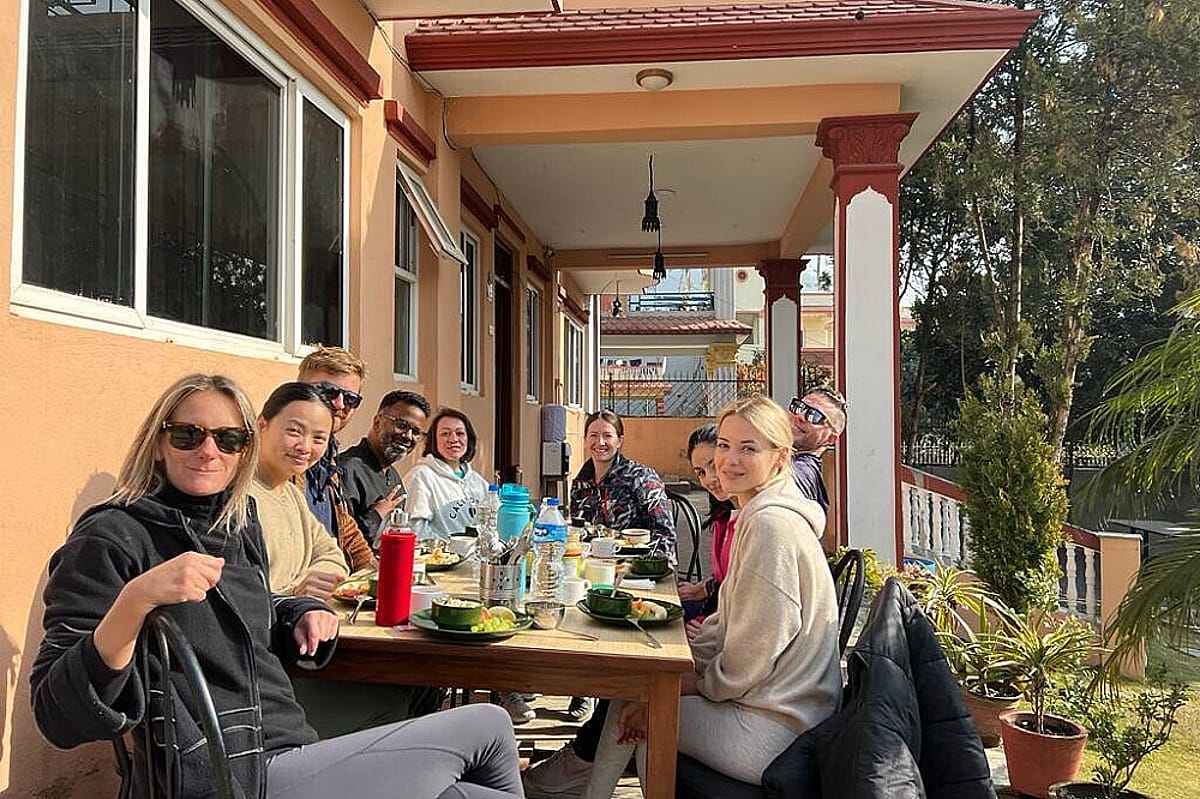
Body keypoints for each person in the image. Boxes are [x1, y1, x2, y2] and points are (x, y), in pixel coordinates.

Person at [30, 374, 525, 799]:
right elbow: (57, 714)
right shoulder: (112, 536)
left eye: (228, 439)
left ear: (245, 447)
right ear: (157, 444)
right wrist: (136, 601)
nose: (209, 451)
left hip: (290, 747)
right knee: (489, 726)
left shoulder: (234, 522)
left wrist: (297, 611)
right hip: (227, 777)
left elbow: (252, 603)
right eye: (187, 435)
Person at [581, 396, 843, 798]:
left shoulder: (771, 526)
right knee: (642, 696)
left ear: (779, 457)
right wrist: (690, 665)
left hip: (779, 728)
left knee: (642, 712)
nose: (729, 460)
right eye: (724, 445)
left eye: (749, 448)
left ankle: (582, 789)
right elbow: (726, 621)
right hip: (768, 705)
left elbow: (754, 653)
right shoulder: (755, 511)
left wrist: (695, 684)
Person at [524, 410, 676, 796]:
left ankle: (589, 746)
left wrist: (634, 561)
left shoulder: (640, 477)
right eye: (594, 435)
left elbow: (665, 535)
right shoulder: (582, 480)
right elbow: (577, 530)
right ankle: (584, 702)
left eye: (607, 435)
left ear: (619, 439)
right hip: (595, 572)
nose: (600, 442)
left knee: (618, 639)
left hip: (635, 576)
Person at [249, 382, 349, 599]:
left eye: (319, 438)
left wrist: (314, 580)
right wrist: (295, 592)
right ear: (261, 425)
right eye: (294, 431)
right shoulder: (237, 495)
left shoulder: (292, 494)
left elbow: (333, 555)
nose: (305, 447)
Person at [297, 346, 375, 573]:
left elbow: (344, 527)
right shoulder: (280, 449)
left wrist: (373, 574)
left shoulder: (329, 454)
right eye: (328, 392)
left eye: (351, 399)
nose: (340, 404)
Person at [340, 390, 431, 549]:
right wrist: (376, 515)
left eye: (416, 432)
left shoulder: (392, 475)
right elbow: (337, 541)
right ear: (377, 422)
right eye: (401, 425)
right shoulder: (347, 469)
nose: (408, 436)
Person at [675, 423, 737, 640]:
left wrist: (710, 628)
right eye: (700, 472)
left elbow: (750, 602)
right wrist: (701, 588)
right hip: (715, 611)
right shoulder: (724, 513)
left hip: (728, 629)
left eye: (714, 465)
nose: (709, 478)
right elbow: (728, 579)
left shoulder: (757, 519)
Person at [405, 408, 490, 540]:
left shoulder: (478, 482)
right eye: (445, 433)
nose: (453, 439)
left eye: (460, 433)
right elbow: (414, 530)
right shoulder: (421, 476)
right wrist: (449, 550)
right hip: (441, 558)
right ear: (433, 440)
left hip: (476, 558)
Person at [788, 386, 847, 513]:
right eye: (799, 407)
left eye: (814, 416)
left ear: (830, 439)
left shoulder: (802, 472)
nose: (800, 416)